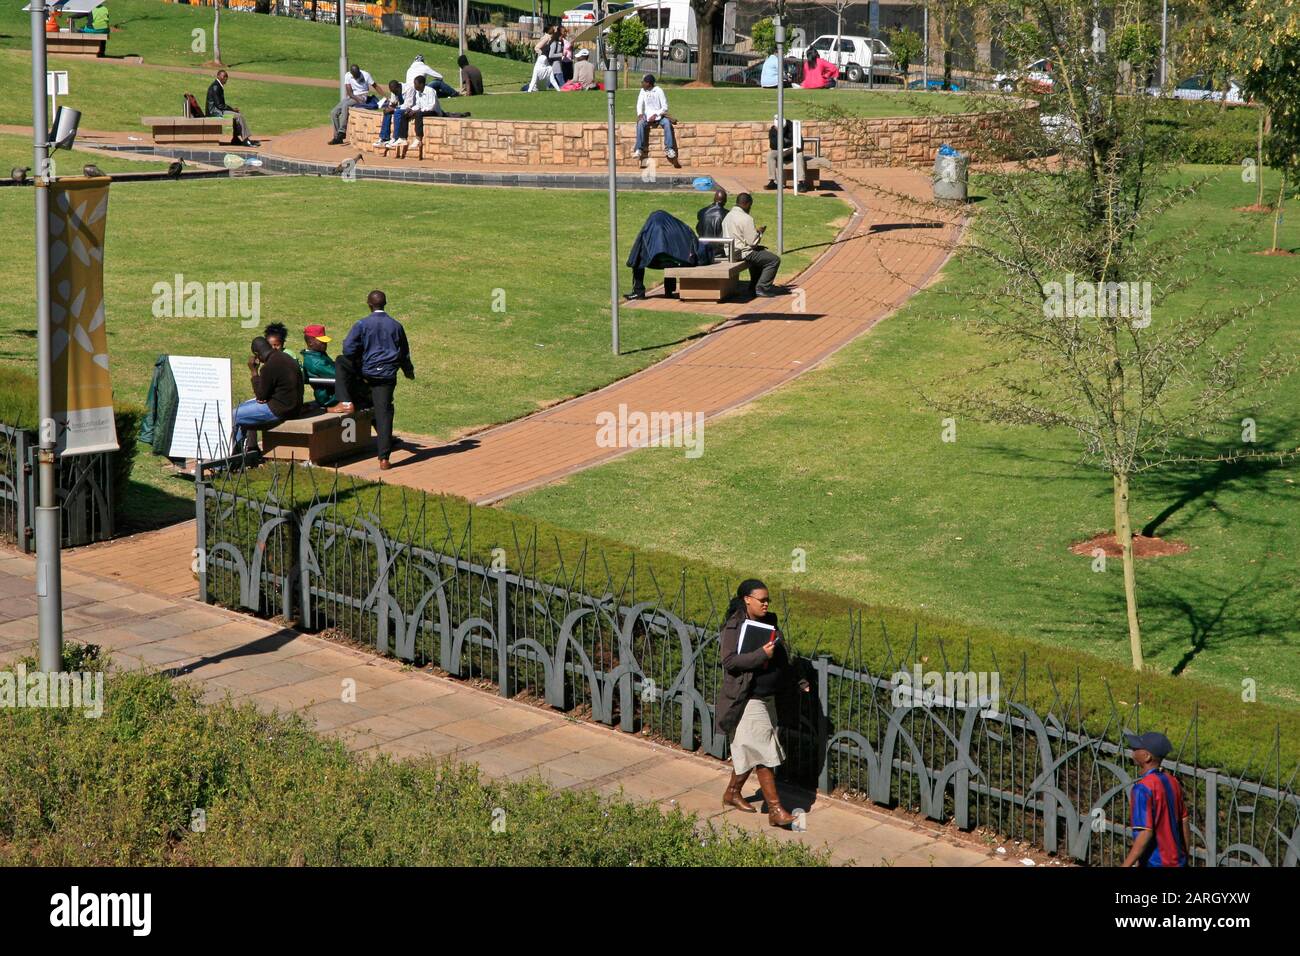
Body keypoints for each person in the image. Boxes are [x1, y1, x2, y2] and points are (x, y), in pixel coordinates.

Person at [715, 579, 810, 827]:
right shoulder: (734, 626)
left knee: (752, 749)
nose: (766, 604)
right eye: (762, 600)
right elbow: (729, 662)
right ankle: (776, 811)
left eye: (768, 600)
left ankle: (732, 793)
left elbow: (783, 658)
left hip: (768, 697)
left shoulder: (769, 621)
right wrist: (760, 656)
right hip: (746, 699)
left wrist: (799, 681)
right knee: (764, 751)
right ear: (747, 599)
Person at [326, 290, 414, 470]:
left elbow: (348, 350)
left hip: (367, 372)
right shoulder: (396, 326)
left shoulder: (362, 324)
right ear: (385, 304)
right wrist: (408, 371)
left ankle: (346, 402)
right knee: (383, 413)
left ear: (369, 304)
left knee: (341, 362)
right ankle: (384, 458)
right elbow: (404, 353)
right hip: (387, 377)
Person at [1121, 732, 1192, 867]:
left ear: (1147, 756)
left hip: (1155, 863)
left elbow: (1145, 832)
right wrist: (1185, 857)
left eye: (1136, 749)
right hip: (1178, 862)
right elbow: (1184, 821)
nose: (1132, 751)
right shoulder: (1173, 782)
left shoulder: (1142, 789)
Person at [231, 336, 303, 453]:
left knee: (234, 416)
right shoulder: (285, 357)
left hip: (280, 410)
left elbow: (261, 395)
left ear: (256, 354)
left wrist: (254, 371)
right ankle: (241, 455)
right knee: (242, 409)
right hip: (292, 407)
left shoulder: (269, 366)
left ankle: (228, 462)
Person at [624, 210, 701, 300]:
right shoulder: (677, 228)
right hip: (678, 261)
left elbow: (636, 251)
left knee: (638, 260)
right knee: (670, 256)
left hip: (665, 261)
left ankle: (638, 291)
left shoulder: (650, 231)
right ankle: (669, 291)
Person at [723, 192, 783, 297]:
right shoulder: (746, 218)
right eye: (750, 205)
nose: (750, 208)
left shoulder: (728, 216)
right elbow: (752, 242)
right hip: (742, 253)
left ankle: (753, 286)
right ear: (746, 204)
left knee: (760, 254)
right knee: (774, 260)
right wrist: (760, 232)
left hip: (730, 251)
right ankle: (762, 287)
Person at [329, 64, 382, 146]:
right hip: (352, 96)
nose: (357, 76)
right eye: (355, 75)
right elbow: (349, 93)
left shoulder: (366, 75)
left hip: (362, 96)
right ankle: (337, 138)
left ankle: (342, 131)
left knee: (345, 105)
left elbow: (375, 86)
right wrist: (357, 99)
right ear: (351, 73)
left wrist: (385, 96)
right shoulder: (348, 75)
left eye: (358, 74)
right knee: (333, 112)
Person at [633, 74, 676, 162]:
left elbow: (665, 107)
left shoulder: (658, 91)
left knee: (667, 123)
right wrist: (640, 114)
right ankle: (639, 149)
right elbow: (639, 104)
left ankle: (669, 149)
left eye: (643, 82)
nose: (642, 84)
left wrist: (656, 115)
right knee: (640, 123)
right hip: (647, 115)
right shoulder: (642, 91)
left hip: (659, 116)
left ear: (648, 83)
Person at [206, 70, 253, 147]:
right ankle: (245, 140)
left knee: (236, 115)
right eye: (223, 76)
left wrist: (232, 110)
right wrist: (232, 109)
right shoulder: (215, 87)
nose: (225, 78)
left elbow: (220, 105)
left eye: (226, 77)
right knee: (238, 116)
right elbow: (219, 105)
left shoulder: (218, 85)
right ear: (218, 76)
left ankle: (235, 139)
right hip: (216, 113)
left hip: (218, 111)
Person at [764, 117, 807, 190]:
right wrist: (783, 139)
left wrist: (787, 143)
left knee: (799, 155)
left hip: (792, 152)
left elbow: (800, 144)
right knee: (770, 155)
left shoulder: (793, 128)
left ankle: (801, 183)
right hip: (780, 152)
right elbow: (773, 145)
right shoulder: (773, 130)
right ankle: (772, 181)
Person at [300, 324, 337, 408]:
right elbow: (337, 375)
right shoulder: (316, 362)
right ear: (310, 342)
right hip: (329, 398)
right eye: (322, 341)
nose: (325, 343)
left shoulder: (317, 354)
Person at [375, 80, 404, 148]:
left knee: (397, 112)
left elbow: (408, 104)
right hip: (399, 107)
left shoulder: (407, 90)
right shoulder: (394, 91)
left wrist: (394, 108)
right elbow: (393, 102)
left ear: (398, 88)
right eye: (392, 91)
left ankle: (395, 138)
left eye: (394, 91)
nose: (393, 93)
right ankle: (384, 138)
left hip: (407, 108)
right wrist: (389, 107)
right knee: (387, 112)